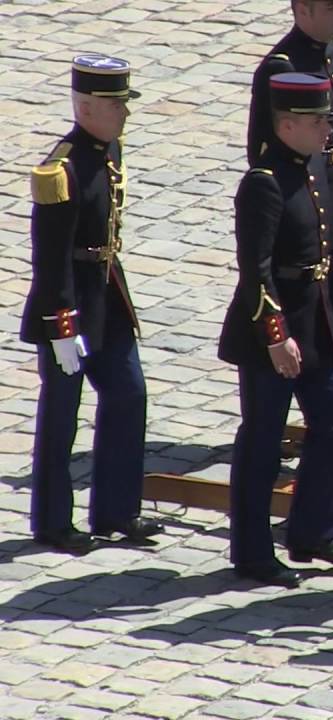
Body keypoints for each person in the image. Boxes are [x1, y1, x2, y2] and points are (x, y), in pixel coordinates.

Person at [219, 73, 333, 588]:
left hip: (316, 319)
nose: (328, 129)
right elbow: (254, 270)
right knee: (262, 438)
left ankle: (312, 530)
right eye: (318, 121)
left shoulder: (316, 165)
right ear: (286, 125)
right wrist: (276, 335)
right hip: (273, 329)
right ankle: (251, 551)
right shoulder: (264, 182)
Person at [22, 54, 161, 553]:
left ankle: (117, 511)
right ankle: (52, 521)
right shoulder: (60, 171)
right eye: (116, 105)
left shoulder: (109, 149)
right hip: (70, 305)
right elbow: (50, 257)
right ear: (85, 108)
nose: (125, 113)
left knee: (129, 395)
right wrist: (60, 326)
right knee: (61, 416)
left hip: (107, 294)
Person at [248, 0, 333, 388]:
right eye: (331, 7)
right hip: (303, 217)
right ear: (302, 10)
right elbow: (263, 152)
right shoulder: (281, 67)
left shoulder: (328, 50)